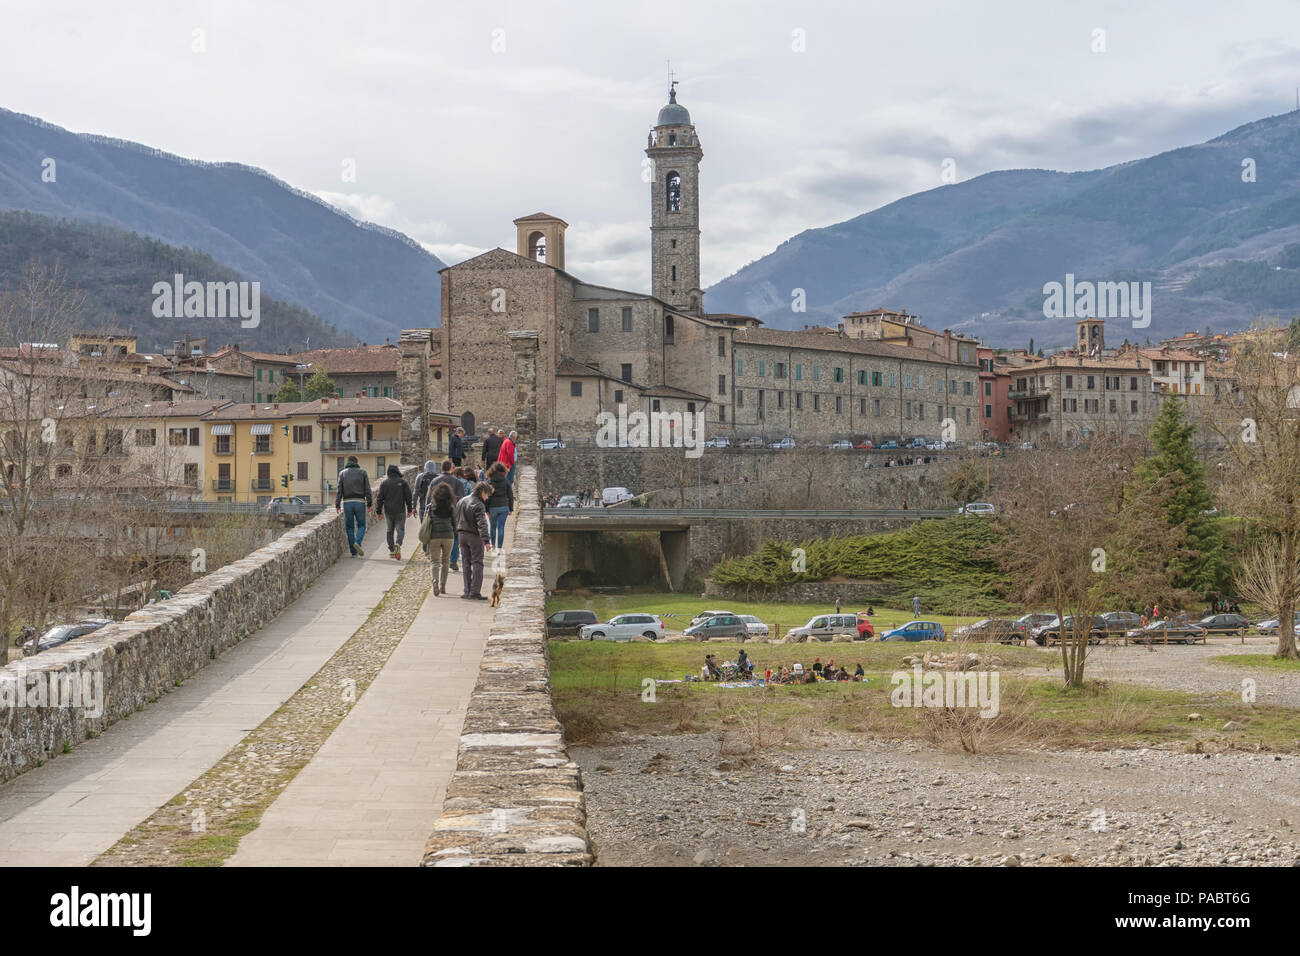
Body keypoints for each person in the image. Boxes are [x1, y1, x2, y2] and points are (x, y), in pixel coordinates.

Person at [455, 480, 492, 600]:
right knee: (477, 563)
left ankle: (467, 590)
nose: (487, 498)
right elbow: (482, 524)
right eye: (487, 495)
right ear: (482, 492)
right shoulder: (478, 504)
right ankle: (475, 592)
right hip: (474, 536)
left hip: (462, 534)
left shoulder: (462, 500)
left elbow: (456, 517)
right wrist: (486, 541)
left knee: (466, 563)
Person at [422, 482, 456, 596]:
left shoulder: (430, 507)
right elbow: (455, 523)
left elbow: (425, 523)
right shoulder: (451, 507)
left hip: (434, 536)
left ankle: (435, 581)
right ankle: (442, 586)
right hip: (448, 536)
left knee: (435, 561)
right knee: (446, 561)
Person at [334, 455, 372, 557]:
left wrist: (337, 504)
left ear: (348, 462)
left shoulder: (342, 473)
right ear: (356, 462)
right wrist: (369, 503)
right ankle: (358, 542)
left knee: (349, 528)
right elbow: (367, 489)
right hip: (360, 502)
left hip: (347, 503)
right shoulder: (363, 473)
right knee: (362, 525)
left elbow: (339, 491)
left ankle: (353, 552)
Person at [375, 464, 414, 560]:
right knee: (400, 530)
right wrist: (409, 509)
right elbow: (408, 497)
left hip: (388, 511)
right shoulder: (403, 482)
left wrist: (378, 512)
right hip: (400, 510)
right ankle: (398, 544)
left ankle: (392, 550)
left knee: (389, 530)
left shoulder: (384, 483)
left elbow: (379, 499)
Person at [486, 461, 513, 551]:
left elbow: (487, 497)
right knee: (501, 527)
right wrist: (511, 508)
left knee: (493, 527)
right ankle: (500, 548)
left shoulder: (490, 481)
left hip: (492, 507)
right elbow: (510, 495)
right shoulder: (506, 481)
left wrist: (486, 510)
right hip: (503, 507)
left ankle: (493, 546)